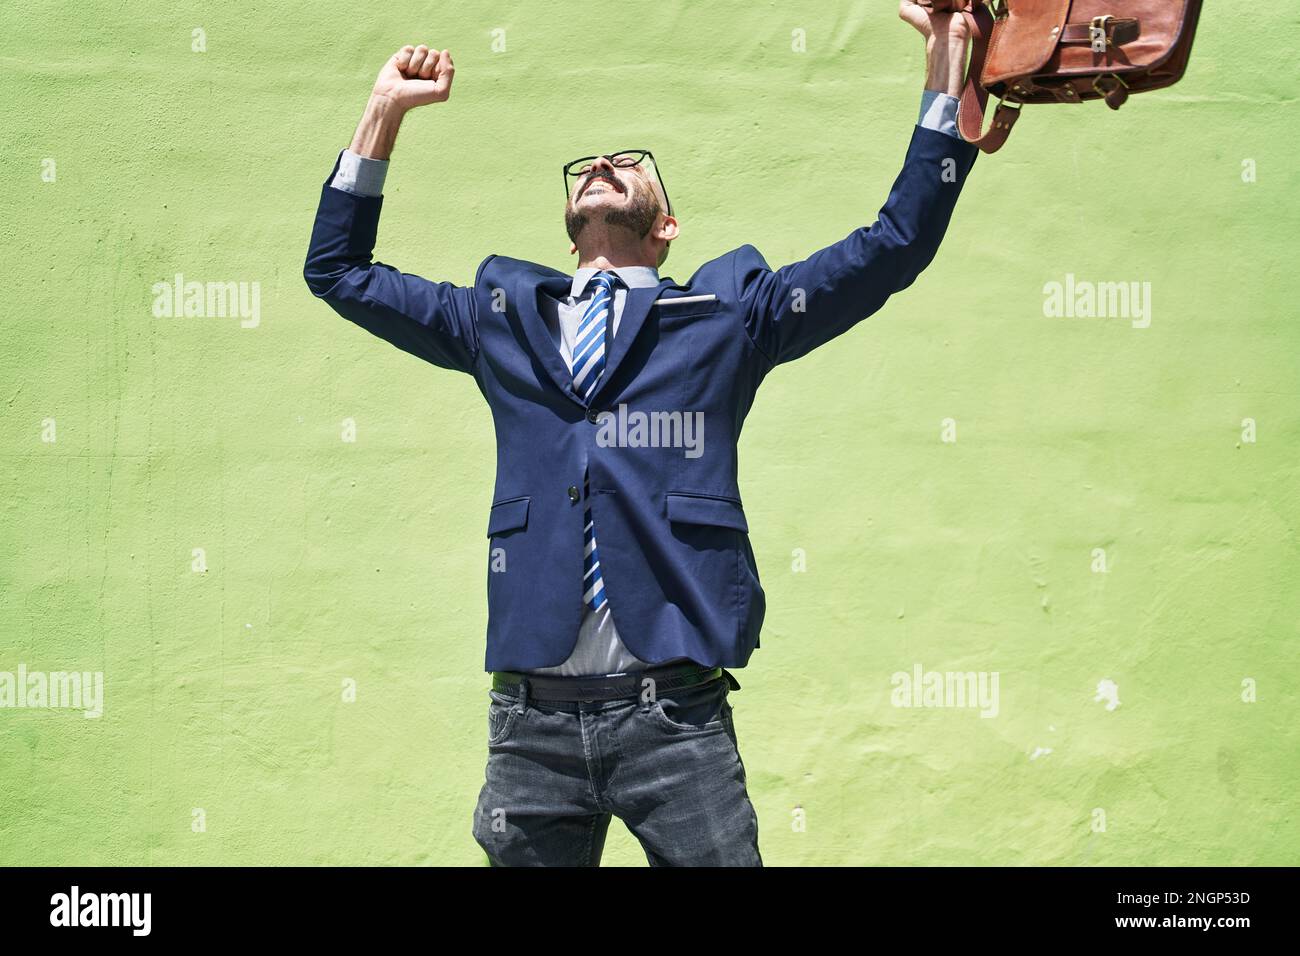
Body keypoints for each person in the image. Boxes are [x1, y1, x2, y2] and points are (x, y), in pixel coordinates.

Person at [304, 0, 978, 866]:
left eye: (632, 163)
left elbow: (897, 242)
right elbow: (338, 272)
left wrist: (947, 68)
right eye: (589, 164)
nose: (607, 163)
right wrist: (383, 113)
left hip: (676, 719)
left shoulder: (730, 314)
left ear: (666, 226)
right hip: (529, 724)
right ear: (571, 217)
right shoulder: (499, 319)